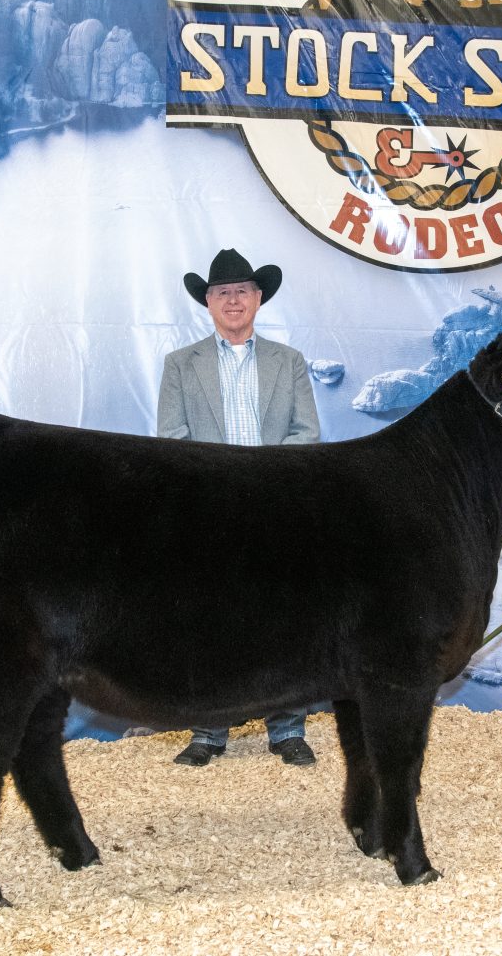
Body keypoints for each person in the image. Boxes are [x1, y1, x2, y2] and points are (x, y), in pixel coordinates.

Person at [157, 247, 321, 768]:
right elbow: (171, 439)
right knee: (209, 619)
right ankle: (208, 731)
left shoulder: (289, 362)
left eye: (242, 291)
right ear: (207, 302)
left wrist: (264, 483)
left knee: (286, 618)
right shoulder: (180, 365)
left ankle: (288, 729)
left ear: (258, 299)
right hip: (208, 509)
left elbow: (307, 434)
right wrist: (220, 485)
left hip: (277, 507)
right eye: (222, 292)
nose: (232, 300)